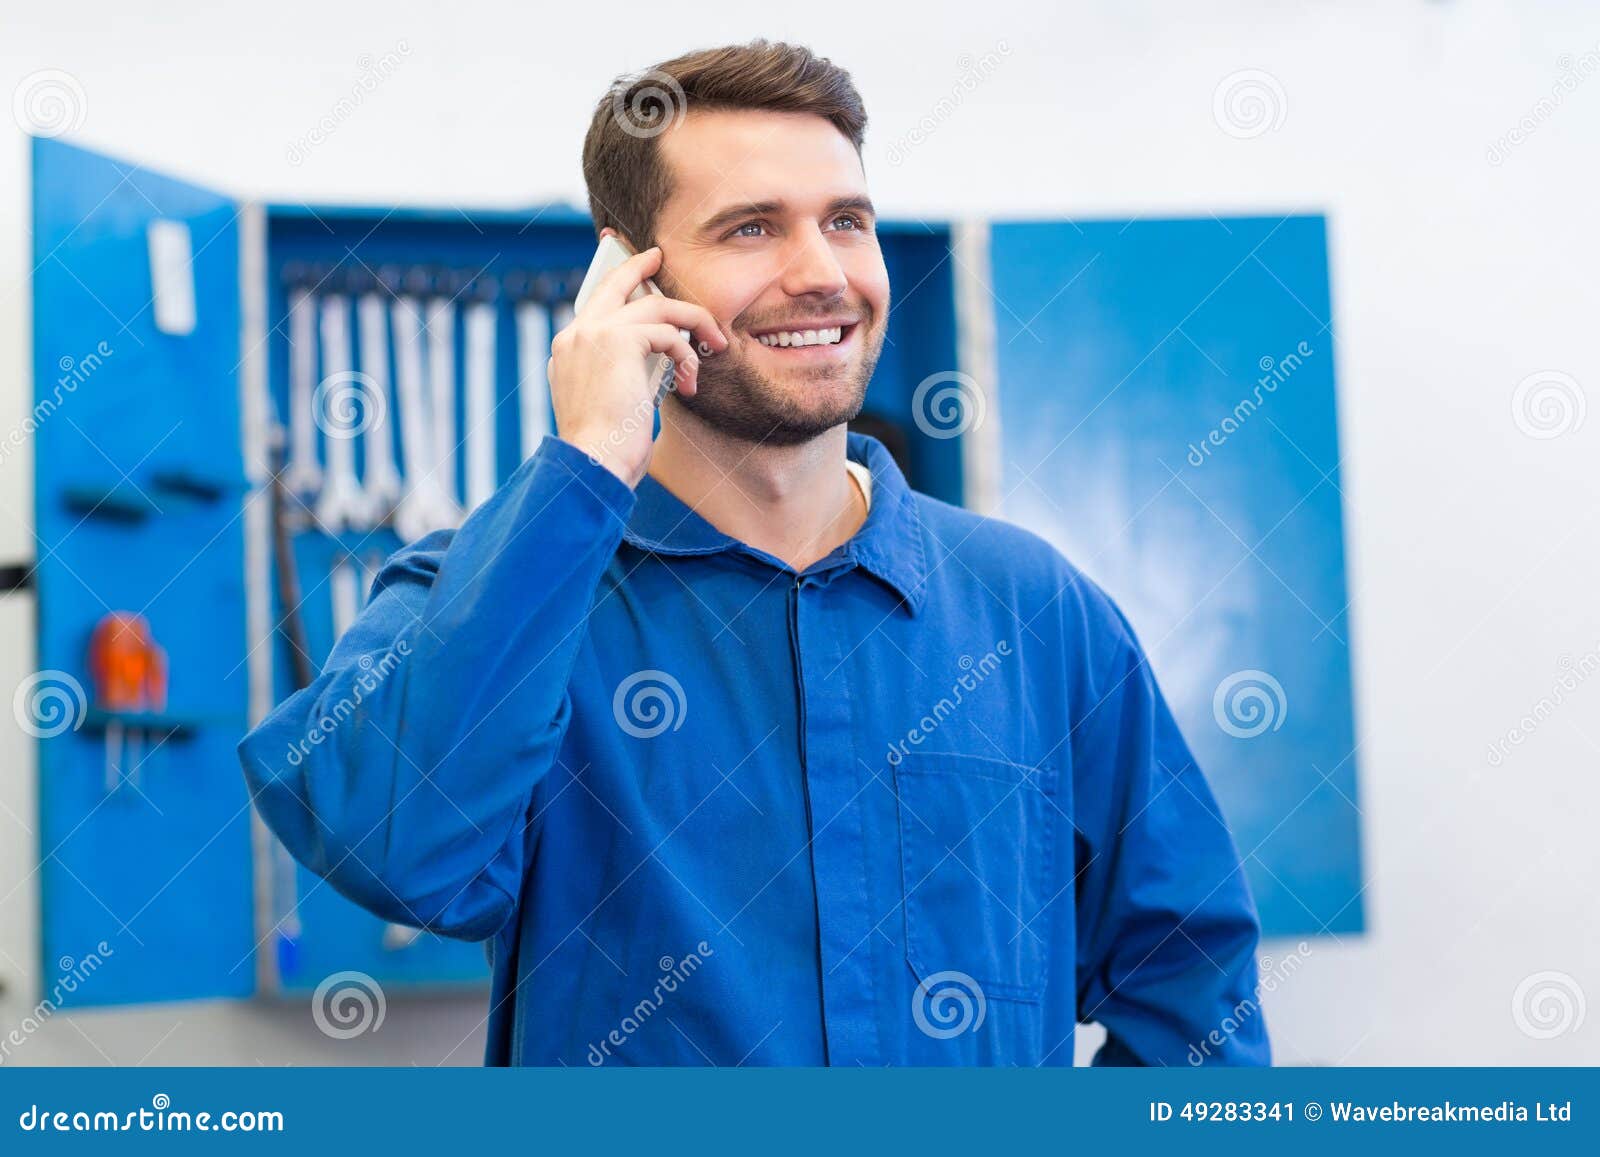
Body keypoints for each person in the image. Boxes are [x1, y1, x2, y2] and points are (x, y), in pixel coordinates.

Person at [238, 38, 1269, 1067]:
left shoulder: (1033, 609)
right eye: (750, 227)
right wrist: (589, 454)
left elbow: (1190, 985)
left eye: (845, 221)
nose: (821, 273)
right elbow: (398, 851)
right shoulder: (483, 596)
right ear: (631, 281)